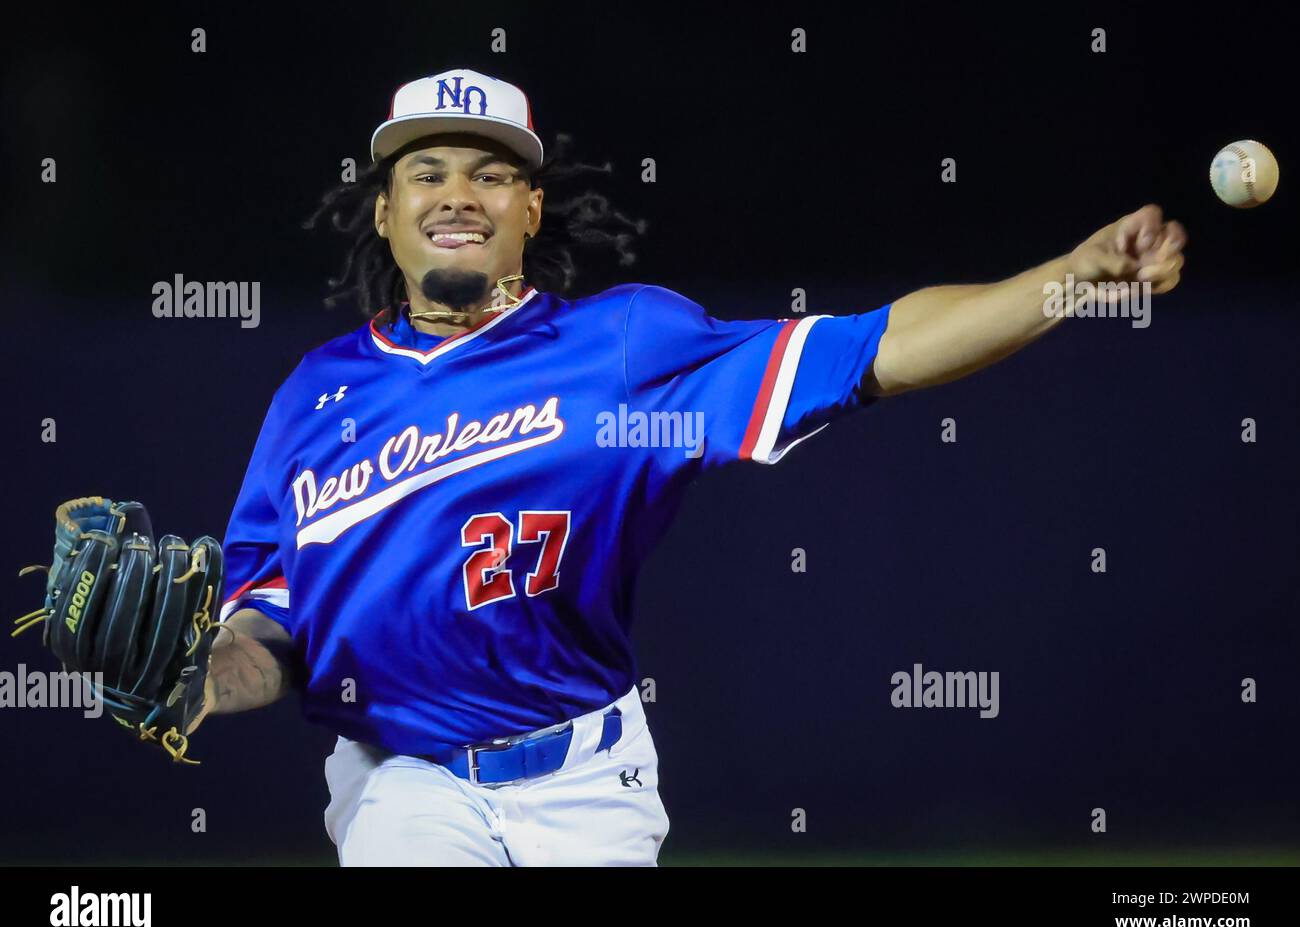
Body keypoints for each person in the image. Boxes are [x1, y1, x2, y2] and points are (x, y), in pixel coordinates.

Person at [207, 68, 1186, 866]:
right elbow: (270, 612)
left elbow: (876, 346)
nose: (457, 193)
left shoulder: (625, 346)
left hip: (588, 785)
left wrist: (1073, 274)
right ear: (385, 212)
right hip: (398, 782)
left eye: (489, 172)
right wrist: (201, 671)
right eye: (426, 172)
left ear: (532, 207)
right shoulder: (315, 396)